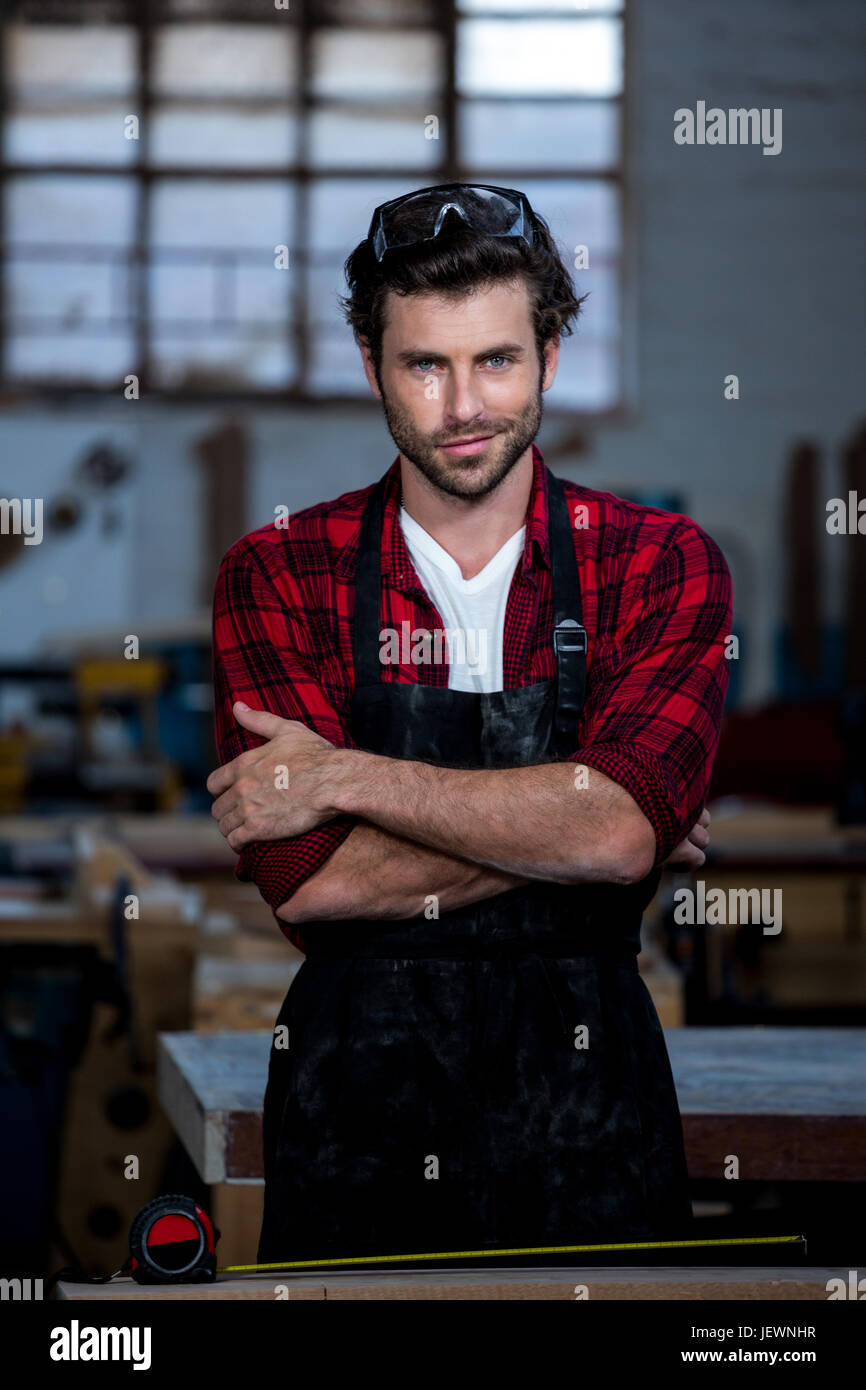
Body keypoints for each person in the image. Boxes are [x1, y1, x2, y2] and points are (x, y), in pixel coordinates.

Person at [207, 183, 732, 1263]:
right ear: (370, 366)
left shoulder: (658, 562)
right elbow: (312, 877)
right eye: (423, 364)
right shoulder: (278, 569)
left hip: (594, 1097)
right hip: (358, 1102)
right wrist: (583, 818)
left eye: (494, 359)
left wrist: (348, 777)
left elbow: (617, 831)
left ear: (548, 352)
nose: (461, 407)